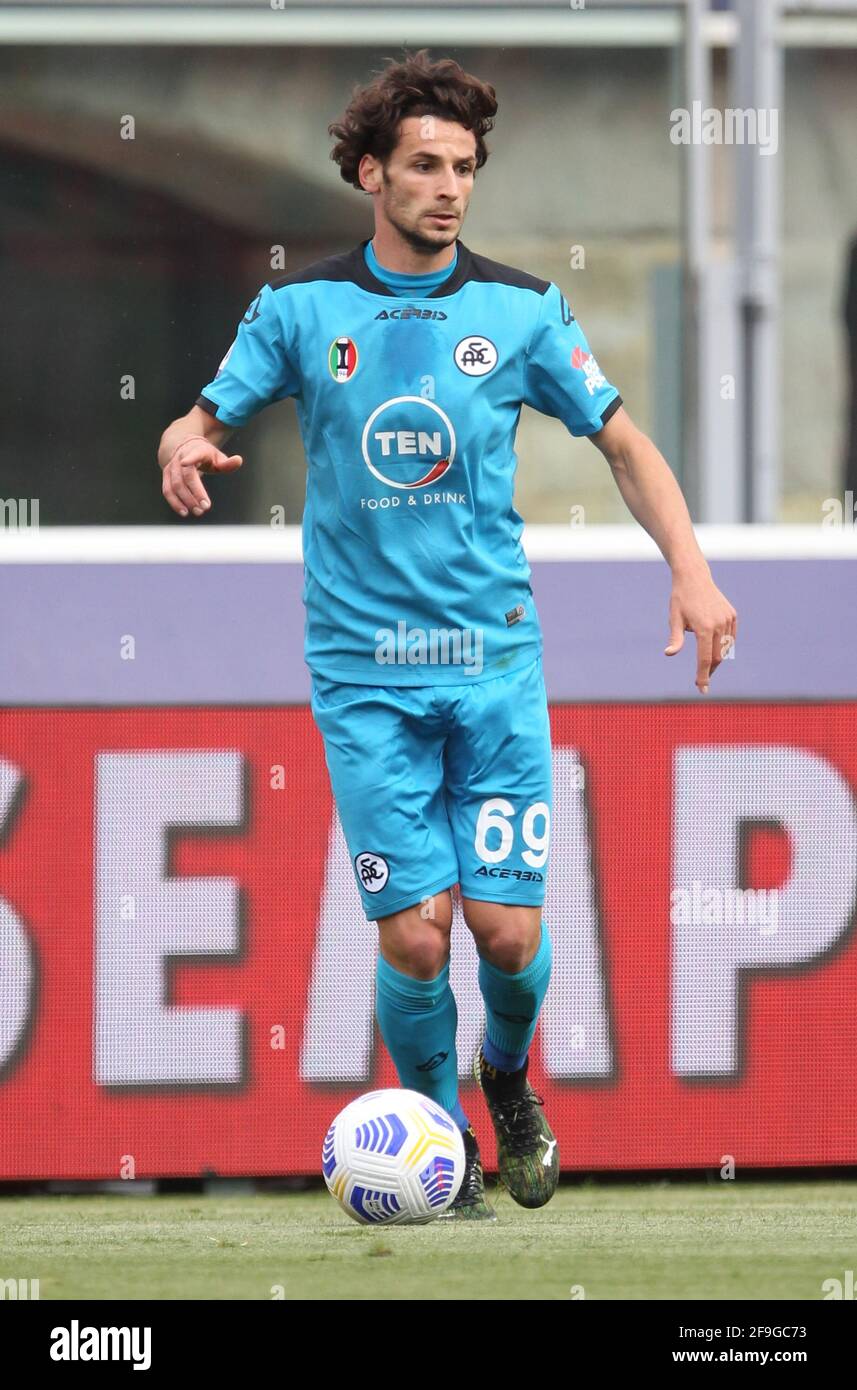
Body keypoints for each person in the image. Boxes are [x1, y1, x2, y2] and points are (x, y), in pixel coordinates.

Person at [157, 49, 737, 1221]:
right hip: (364, 676)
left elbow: (622, 441)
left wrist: (690, 568)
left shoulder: (520, 313)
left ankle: (508, 1079)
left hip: (491, 665)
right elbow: (203, 411)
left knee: (505, 931)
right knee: (418, 942)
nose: (448, 186)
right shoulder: (300, 311)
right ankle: (449, 1150)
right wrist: (181, 438)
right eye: (423, 164)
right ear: (370, 173)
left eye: (464, 167)